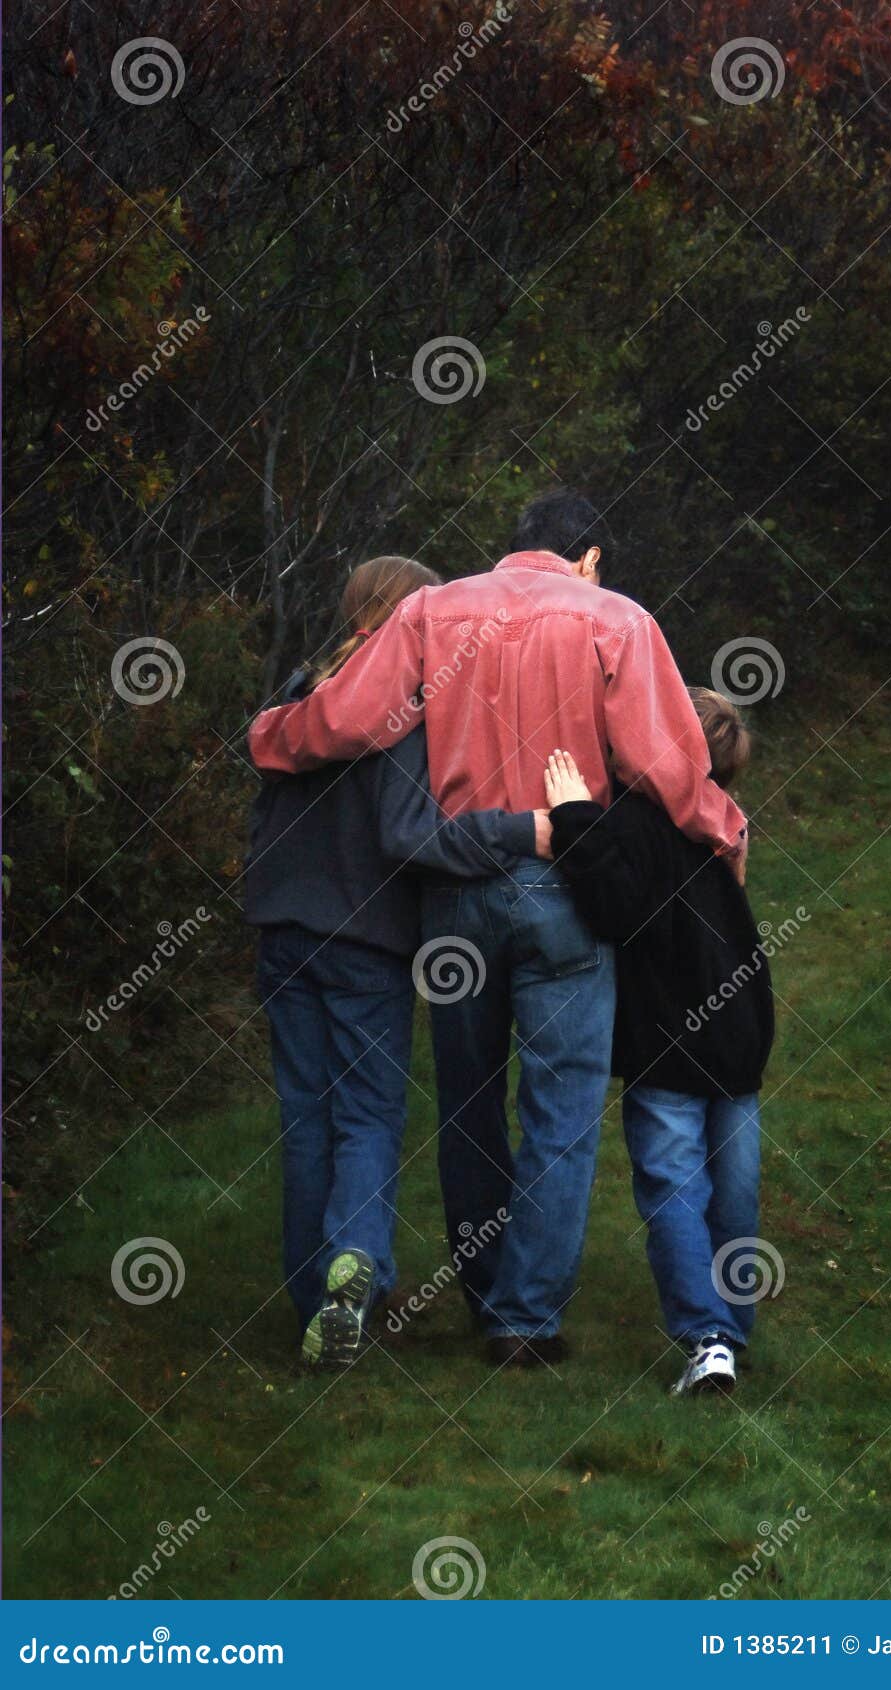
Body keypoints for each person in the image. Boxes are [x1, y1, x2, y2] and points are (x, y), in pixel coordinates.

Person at [248, 491, 748, 1367]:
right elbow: (664, 763)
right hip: (563, 888)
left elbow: (351, 720)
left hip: (455, 892)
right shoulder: (616, 619)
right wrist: (723, 827)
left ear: (514, 546)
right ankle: (523, 1320)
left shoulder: (431, 610)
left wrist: (270, 736)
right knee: (559, 1112)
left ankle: (479, 1291)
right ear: (589, 558)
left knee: (469, 1103)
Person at [244, 556, 537, 1369]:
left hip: (283, 928)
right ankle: (356, 1263)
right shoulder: (411, 707)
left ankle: (315, 1298)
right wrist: (515, 834)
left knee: (307, 1117)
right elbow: (410, 835)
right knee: (368, 1115)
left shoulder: (305, 689)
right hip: (365, 937)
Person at [540, 689, 772, 1395]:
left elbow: (616, 906)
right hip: (738, 1035)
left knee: (675, 1186)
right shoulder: (719, 819)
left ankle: (709, 1337)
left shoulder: (640, 821)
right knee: (733, 1191)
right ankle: (729, 1326)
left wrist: (574, 815)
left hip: (670, 1037)